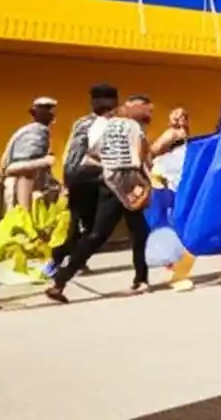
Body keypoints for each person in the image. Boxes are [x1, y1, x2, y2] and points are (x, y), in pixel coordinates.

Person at [45, 95, 156, 301]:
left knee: (101, 234)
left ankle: (60, 281)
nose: (150, 115)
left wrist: (108, 166)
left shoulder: (107, 126)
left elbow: (92, 152)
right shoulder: (133, 127)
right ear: (135, 107)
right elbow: (143, 157)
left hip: (109, 182)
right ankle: (140, 280)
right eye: (148, 110)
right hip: (129, 185)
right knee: (132, 232)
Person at [46, 83, 120, 278]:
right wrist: (68, 182)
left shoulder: (108, 123)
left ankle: (75, 260)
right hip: (85, 179)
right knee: (79, 225)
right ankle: (58, 259)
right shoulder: (87, 124)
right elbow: (74, 155)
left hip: (99, 180)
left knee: (91, 226)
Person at [0, 98, 59, 213]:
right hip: (22, 190)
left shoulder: (29, 131)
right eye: (49, 110)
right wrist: (45, 161)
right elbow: (13, 168)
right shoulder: (35, 132)